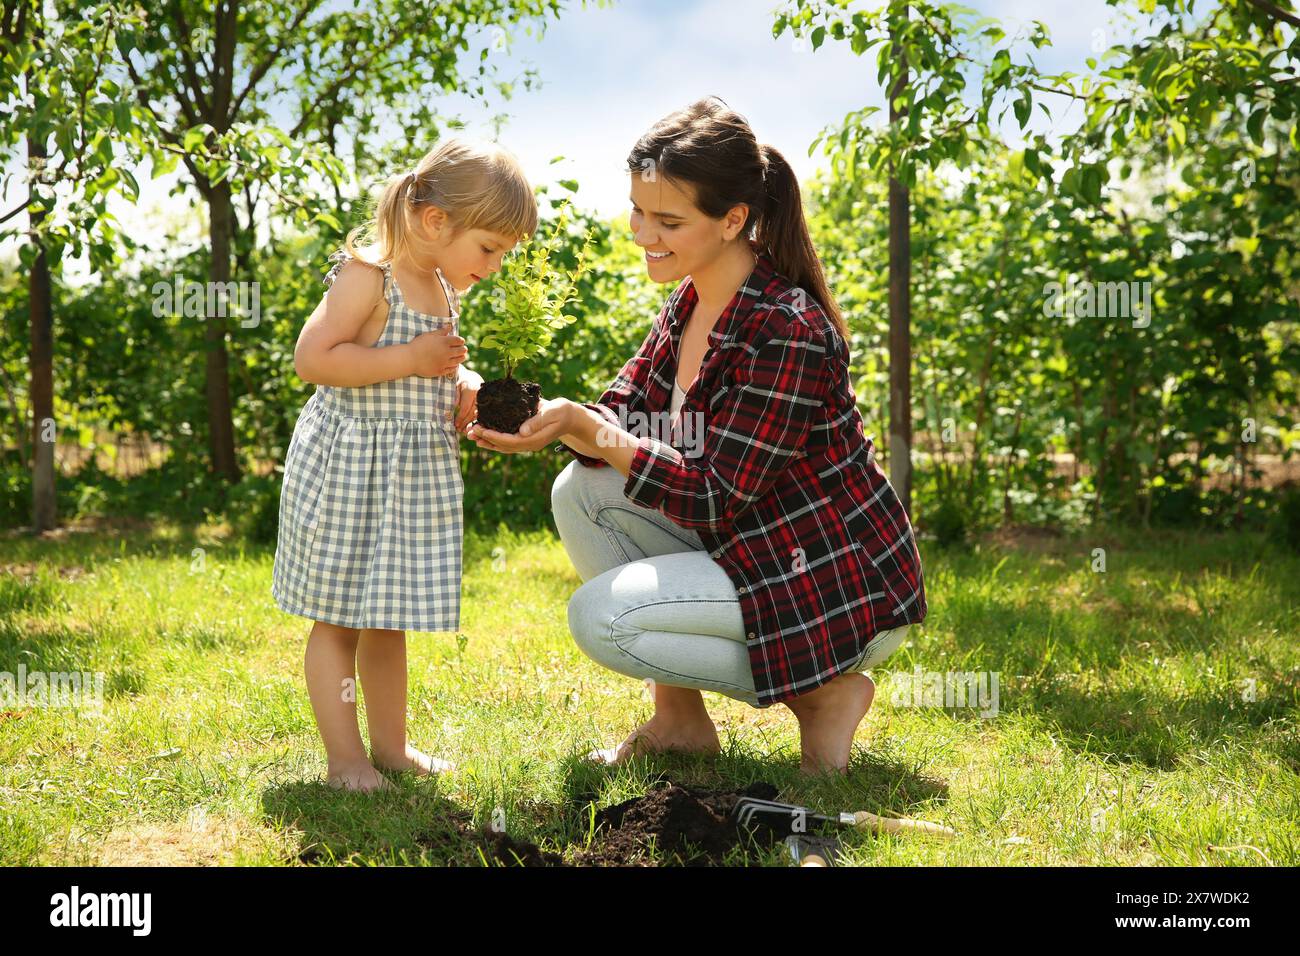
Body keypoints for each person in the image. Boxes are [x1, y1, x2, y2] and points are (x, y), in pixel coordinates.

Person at [468, 98, 928, 775]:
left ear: (733, 220)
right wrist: (557, 420)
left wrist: (589, 428)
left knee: (604, 619)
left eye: (668, 220)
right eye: (638, 209)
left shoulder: (786, 329)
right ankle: (679, 722)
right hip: (747, 546)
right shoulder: (687, 302)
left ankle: (826, 694)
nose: (641, 232)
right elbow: (621, 416)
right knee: (582, 489)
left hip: (833, 581)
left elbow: (715, 493)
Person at [273, 138, 536, 791]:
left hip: (408, 477)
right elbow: (315, 360)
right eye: (490, 248)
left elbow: (433, 363)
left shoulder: (444, 286)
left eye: (504, 253)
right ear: (434, 221)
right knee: (337, 619)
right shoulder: (368, 275)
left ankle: (390, 749)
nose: (497, 266)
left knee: (389, 618)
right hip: (348, 470)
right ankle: (345, 761)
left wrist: (461, 384)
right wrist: (410, 361)